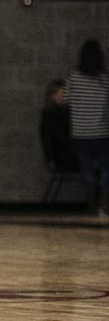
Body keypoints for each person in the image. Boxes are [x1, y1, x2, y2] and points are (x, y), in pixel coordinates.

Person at [65, 40, 109, 217]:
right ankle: (105, 202)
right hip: (102, 132)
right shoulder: (105, 79)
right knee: (106, 169)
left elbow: (65, 100)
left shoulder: (74, 77)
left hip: (81, 132)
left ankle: (91, 204)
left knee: (87, 170)